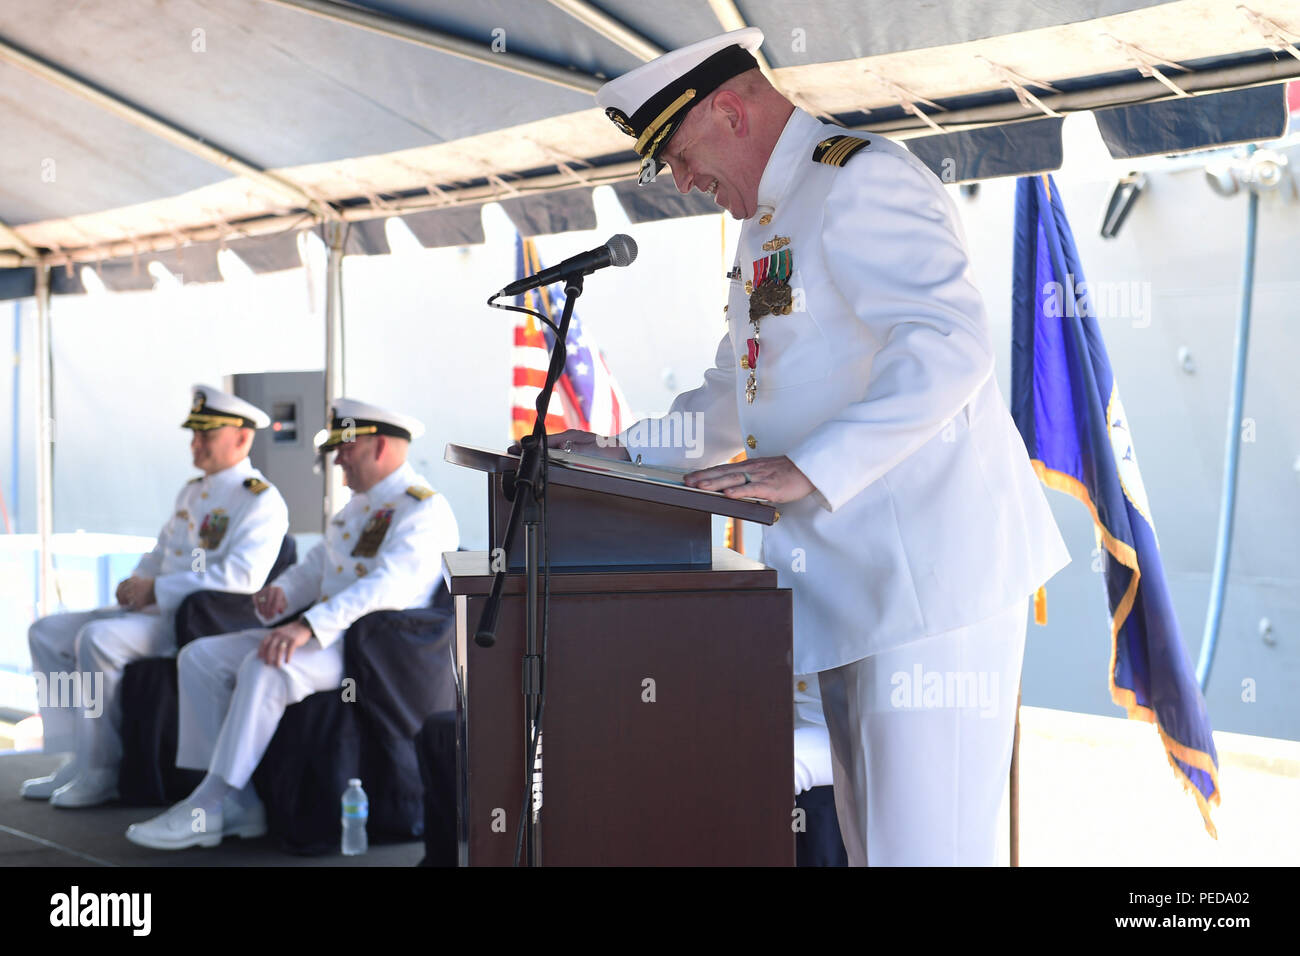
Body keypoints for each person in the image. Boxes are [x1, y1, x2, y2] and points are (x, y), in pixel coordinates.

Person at [552, 28, 1071, 865]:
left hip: (931, 584)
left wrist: (810, 468)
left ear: (730, 111)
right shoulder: (771, 219)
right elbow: (741, 387)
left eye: (679, 156)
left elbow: (948, 343)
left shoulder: (859, 180)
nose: (683, 182)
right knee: (876, 850)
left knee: (923, 852)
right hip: (856, 590)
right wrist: (623, 453)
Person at [125, 398, 460, 850]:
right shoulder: (357, 508)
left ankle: (212, 803)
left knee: (266, 667)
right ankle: (233, 799)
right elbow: (317, 565)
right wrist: (282, 592)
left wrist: (308, 625)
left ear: (379, 446)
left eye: (345, 449)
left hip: (376, 651)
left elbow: (386, 588)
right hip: (329, 634)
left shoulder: (423, 510)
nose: (337, 460)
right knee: (200, 657)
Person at [21, 385, 288, 807]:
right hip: (149, 609)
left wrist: (158, 590)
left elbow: (242, 576)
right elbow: (161, 552)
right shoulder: (192, 492)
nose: (195, 444)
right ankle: (76, 755)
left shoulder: (259, 500)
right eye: (194, 434)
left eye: (206, 434)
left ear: (242, 437)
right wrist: (136, 582)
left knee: (96, 640)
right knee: (46, 633)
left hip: (193, 619)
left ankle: (102, 769)